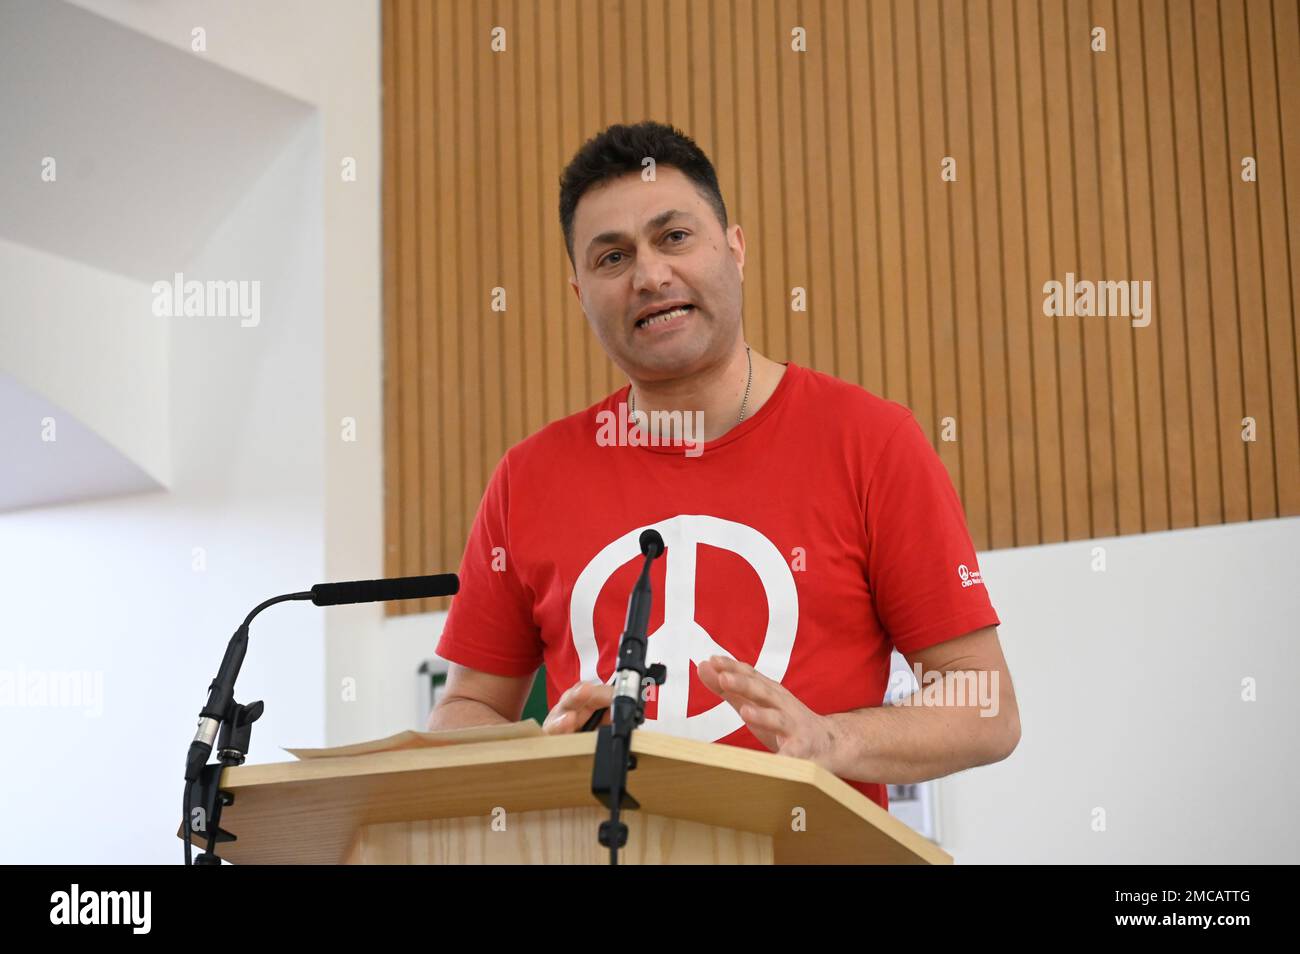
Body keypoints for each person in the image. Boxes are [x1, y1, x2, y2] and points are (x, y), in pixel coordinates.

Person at [428, 120, 1020, 811]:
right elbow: (466, 707)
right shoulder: (527, 477)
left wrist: (830, 741)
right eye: (611, 258)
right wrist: (538, 752)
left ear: (735, 249)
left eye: (674, 237)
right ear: (580, 294)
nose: (650, 275)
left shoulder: (871, 440)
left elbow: (986, 707)